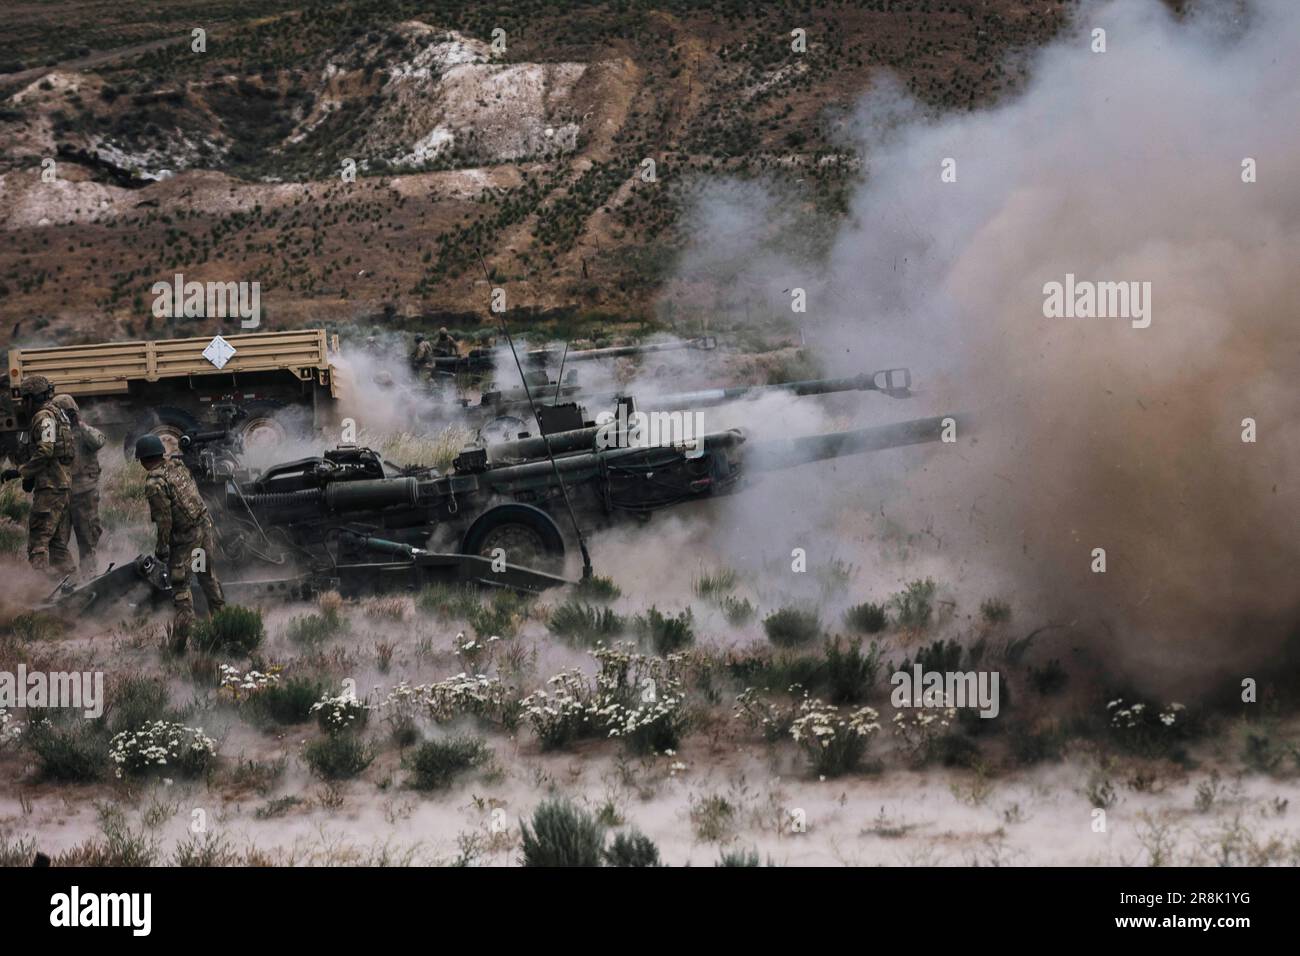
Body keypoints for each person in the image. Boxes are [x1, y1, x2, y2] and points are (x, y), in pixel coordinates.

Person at [136, 434, 225, 649]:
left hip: (186, 539)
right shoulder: (177, 466)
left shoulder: (154, 483)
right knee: (206, 576)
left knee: (180, 586)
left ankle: (179, 644)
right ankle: (224, 625)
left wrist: (162, 547)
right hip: (203, 529)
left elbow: (164, 520)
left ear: (144, 459)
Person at [10, 376, 75, 575]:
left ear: (30, 399)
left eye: (24, 399)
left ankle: (39, 591)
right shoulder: (59, 414)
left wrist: (21, 472)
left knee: (38, 543)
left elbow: (46, 450)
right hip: (62, 486)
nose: (23, 404)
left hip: (51, 488)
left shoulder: (43, 416)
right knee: (56, 543)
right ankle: (71, 585)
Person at [52, 394, 105, 573]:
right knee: (58, 541)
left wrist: (79, 425)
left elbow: (99, 441)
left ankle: (89, 578)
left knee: (88, 540)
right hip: (62, 495)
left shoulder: (84, 432)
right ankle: (67, 579)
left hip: (85, 494)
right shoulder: (54, 433)